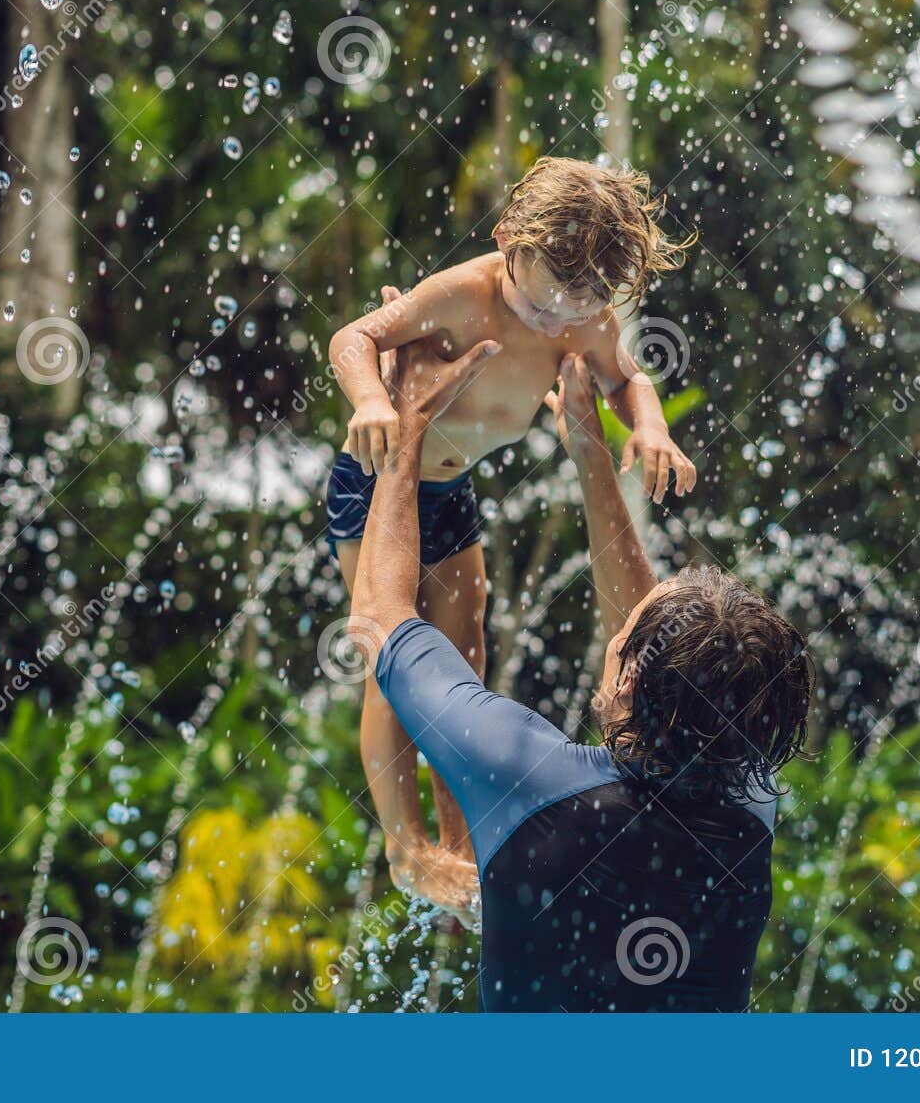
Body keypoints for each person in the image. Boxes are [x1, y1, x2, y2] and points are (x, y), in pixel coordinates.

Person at [350, 339, 813, 1012]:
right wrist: (590, 449)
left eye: (621, 640)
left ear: (628, 682)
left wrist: (412, 418)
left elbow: (378, 612)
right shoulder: (749, 801)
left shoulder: (523, 774)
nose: (615, 629)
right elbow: (667, 661)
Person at [324, 157, 698, 910]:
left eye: (578, 308)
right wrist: (370, 400)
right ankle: (405, 848)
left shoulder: (584, 318)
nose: (558, 324)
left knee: (464, 660)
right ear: (507, 240)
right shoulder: (463, 294)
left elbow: (629, 379)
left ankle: (461, 848)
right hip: (375, 483)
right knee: (392, 658)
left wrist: (651, 430)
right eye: (543, 305)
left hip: (451, 491)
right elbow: (354, 335)